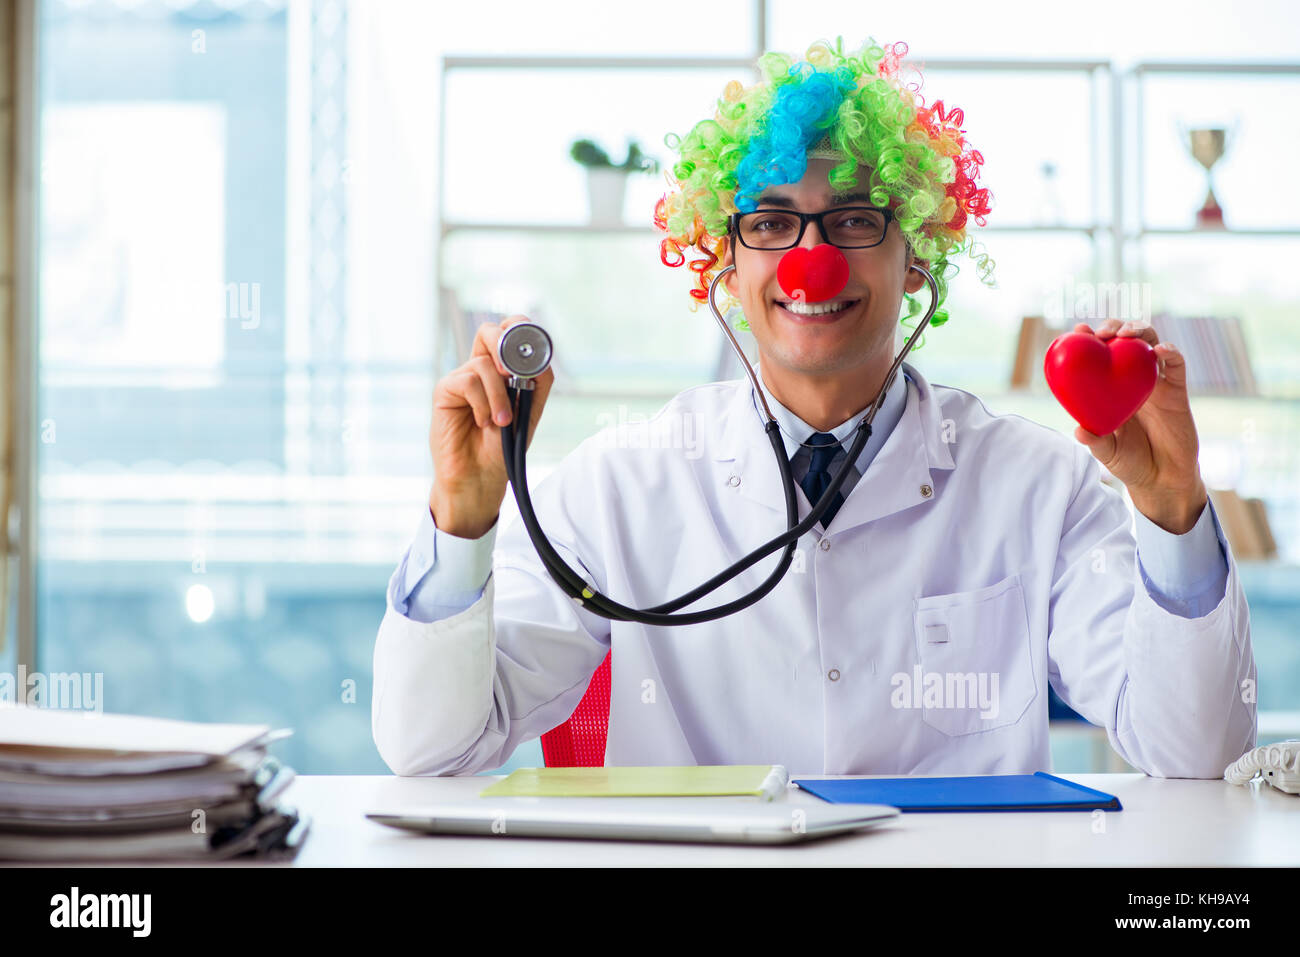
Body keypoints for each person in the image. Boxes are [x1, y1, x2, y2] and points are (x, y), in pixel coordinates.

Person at [372, 37, 1254, 778]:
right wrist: (461, 523)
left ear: (917, 254)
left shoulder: (1040, 483)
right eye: (771, 221)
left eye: (855, 220)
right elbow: (434, 748)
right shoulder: (617, 485)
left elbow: (1193, 751)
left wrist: (1173, 510)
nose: (811, 261)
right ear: (725, 263)